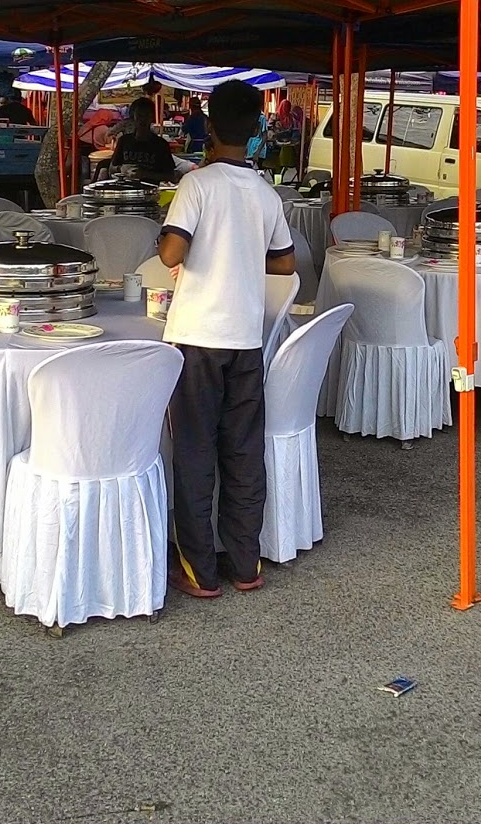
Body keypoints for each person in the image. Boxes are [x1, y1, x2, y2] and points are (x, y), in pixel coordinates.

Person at [158, 79, 296, 598]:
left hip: (196, 336)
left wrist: (186, 238)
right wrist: (242, 251)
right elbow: (284, 262)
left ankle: (199, 569)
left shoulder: (196, 185)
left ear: (209, 127)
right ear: (257, 128)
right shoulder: (265, 193)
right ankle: (244, 563)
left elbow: (171, 254)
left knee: (195, 451)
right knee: (242, 451)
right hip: (245, 337)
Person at [110, 98, 175, 182]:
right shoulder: (124, 141)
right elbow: (111, 168)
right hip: (126, 186)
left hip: (150, 188)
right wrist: (121, 168)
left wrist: (146, 174)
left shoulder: (161, 144)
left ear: (152, 117)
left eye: (147, 115)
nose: (143, 120)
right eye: (139, 115)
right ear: (133, 117)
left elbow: (170, 176)